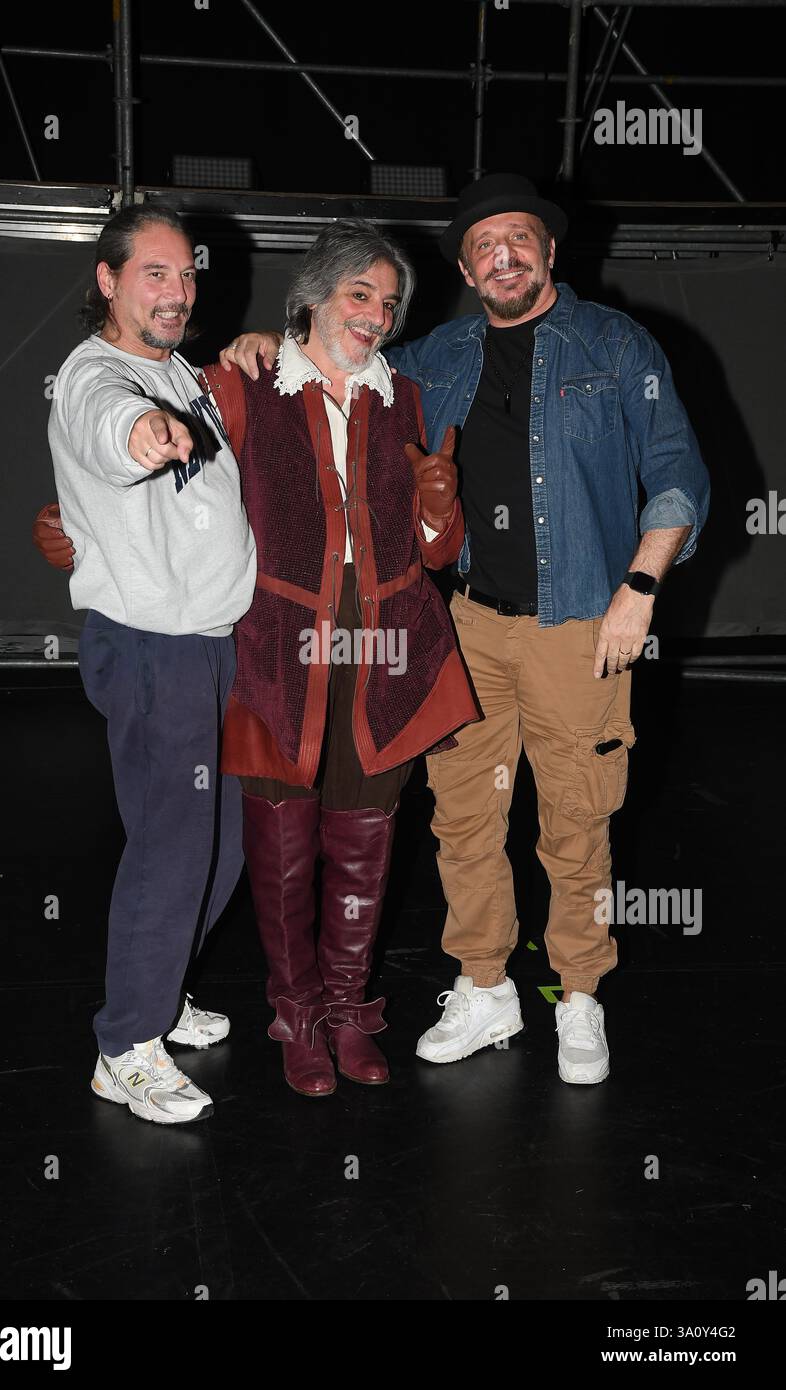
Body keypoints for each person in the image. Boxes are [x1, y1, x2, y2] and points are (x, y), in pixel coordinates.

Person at [219, 172, 711, 1085]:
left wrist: (642, 585)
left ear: (551, 252)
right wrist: (268, 337)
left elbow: (679, 469)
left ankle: (579, 995)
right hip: (467, 626)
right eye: (485, 245)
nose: (505, 255)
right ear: (466, 268)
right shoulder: (434, 360)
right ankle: (485, 986)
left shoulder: (615, 343)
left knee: (577, 816)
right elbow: (335, 367)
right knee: (464, 817)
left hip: (582, 626)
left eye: (520, 238)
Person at [38, 218, 480, 1101]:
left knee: (322, 840)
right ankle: (276, 1014)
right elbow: (106, 423)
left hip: (377, 650)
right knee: (245, 840)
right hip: (269, 646)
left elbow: (436, 550)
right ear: (314, 295)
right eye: (360, 294)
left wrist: (440, 511)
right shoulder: (241, 384)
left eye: (389, 304)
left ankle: (341, 1004)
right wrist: (101, 488)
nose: (376, 315)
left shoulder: (405, 397)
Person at [41, 204, 256, 1124]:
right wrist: (141, 436)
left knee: (226, 847)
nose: (175, 291)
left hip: (214, 643)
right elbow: (105, 421)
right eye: (153, 274)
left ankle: (158, 993)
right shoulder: (99, 374)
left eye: (185, 274)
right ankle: (125, 1043)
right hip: (153, 647)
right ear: (108, 280)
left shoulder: (186, 374)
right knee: (173, 848)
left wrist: (244, 355)